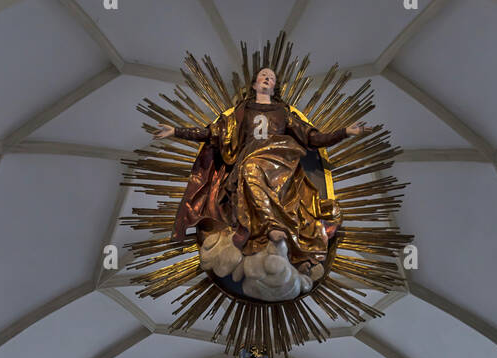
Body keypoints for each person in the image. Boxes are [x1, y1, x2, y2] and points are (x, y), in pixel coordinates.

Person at [157, 67, 366, 276]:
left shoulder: (282, 113)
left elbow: (313, 138)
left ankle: (276, 230)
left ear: (274, 87)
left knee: (253, 169)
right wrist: (176, 131)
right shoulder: (241, 112)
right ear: (255, 85)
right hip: (248, 162)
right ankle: (279, 240)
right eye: (263, 76)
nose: (267, 78)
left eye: (272, 77)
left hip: (279, 162)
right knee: (249, 169)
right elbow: (210, 133)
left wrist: (345, 132)